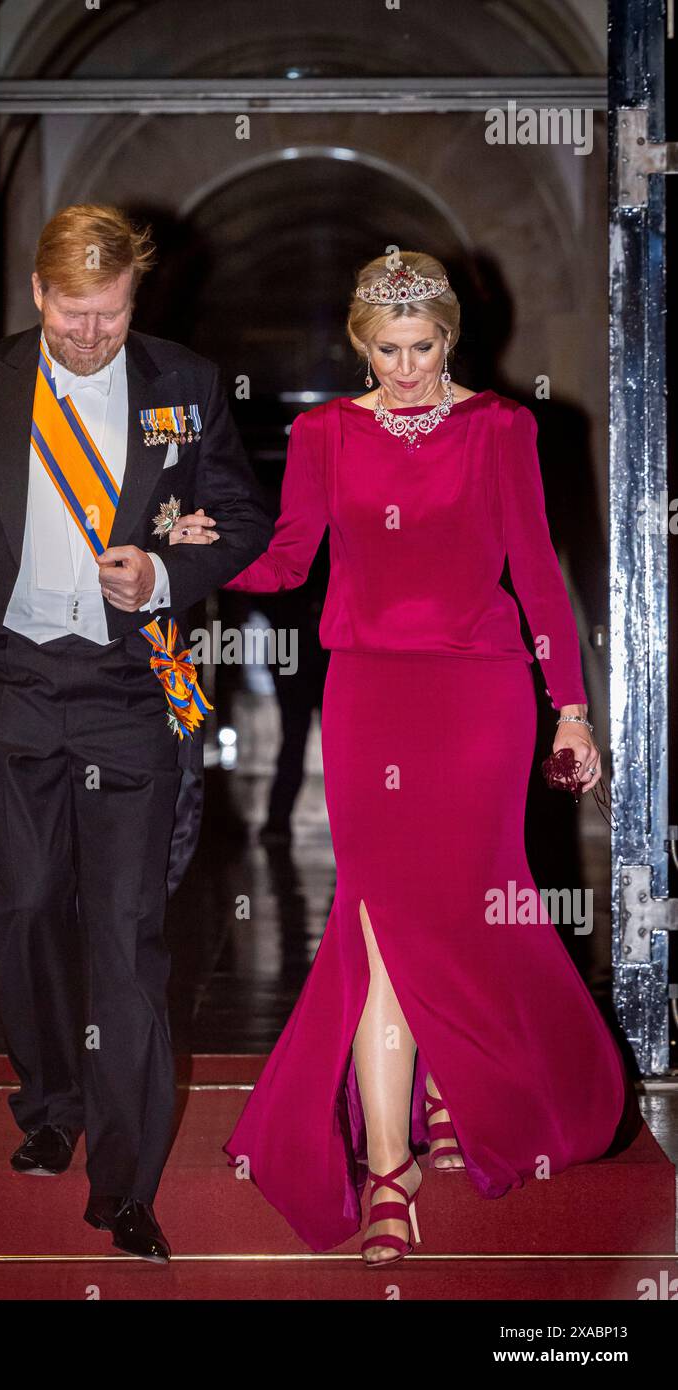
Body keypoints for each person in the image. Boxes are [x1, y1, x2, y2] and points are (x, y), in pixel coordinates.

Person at [217, 250, 641, 1264]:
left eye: (426, 347)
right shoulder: (326, 432)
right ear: (360, 345)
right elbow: (286, 558)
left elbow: (539, 571)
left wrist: (570, 711)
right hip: (371, 693)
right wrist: (194, 552)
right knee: (379, 920)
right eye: (387, 350)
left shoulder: (504, 427)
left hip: (481, 696)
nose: (408, 370)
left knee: (465, 903)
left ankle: (457, 1083)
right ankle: (390, 1166)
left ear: (451, 338)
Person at [0, 203, 273, 1264]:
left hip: (126, 687)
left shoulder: (185, 385)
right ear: (37, 292)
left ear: (133, 300)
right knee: (22, 910)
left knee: (127, 935)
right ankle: (51, 1098)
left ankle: (124, 1182)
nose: (89, 336)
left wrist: (165, 571)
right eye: (72, 315)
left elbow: (243, 520)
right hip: (7, 682)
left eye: (108, 316)